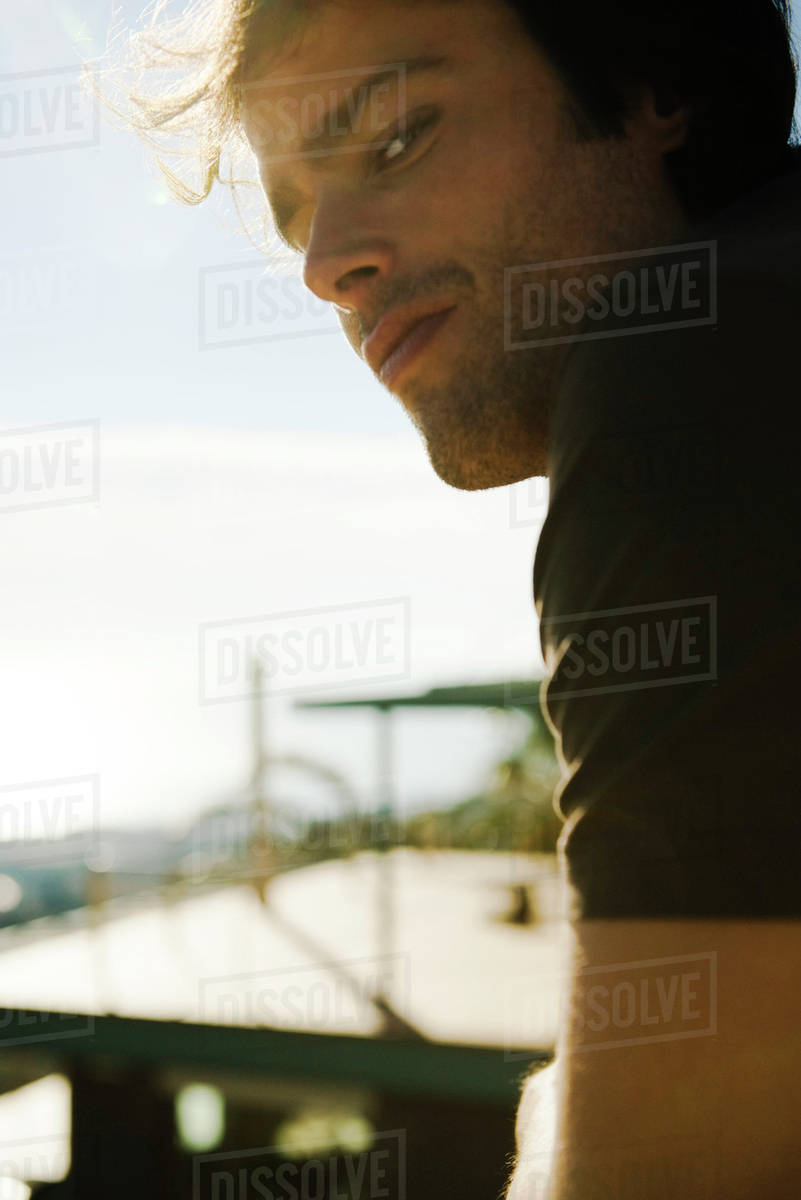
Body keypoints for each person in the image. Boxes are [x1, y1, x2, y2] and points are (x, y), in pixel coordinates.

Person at [102, 1, 801, 1194]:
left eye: (395, 141)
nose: (328, 267)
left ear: (652, 89)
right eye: (297, 223)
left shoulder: (694, 372)